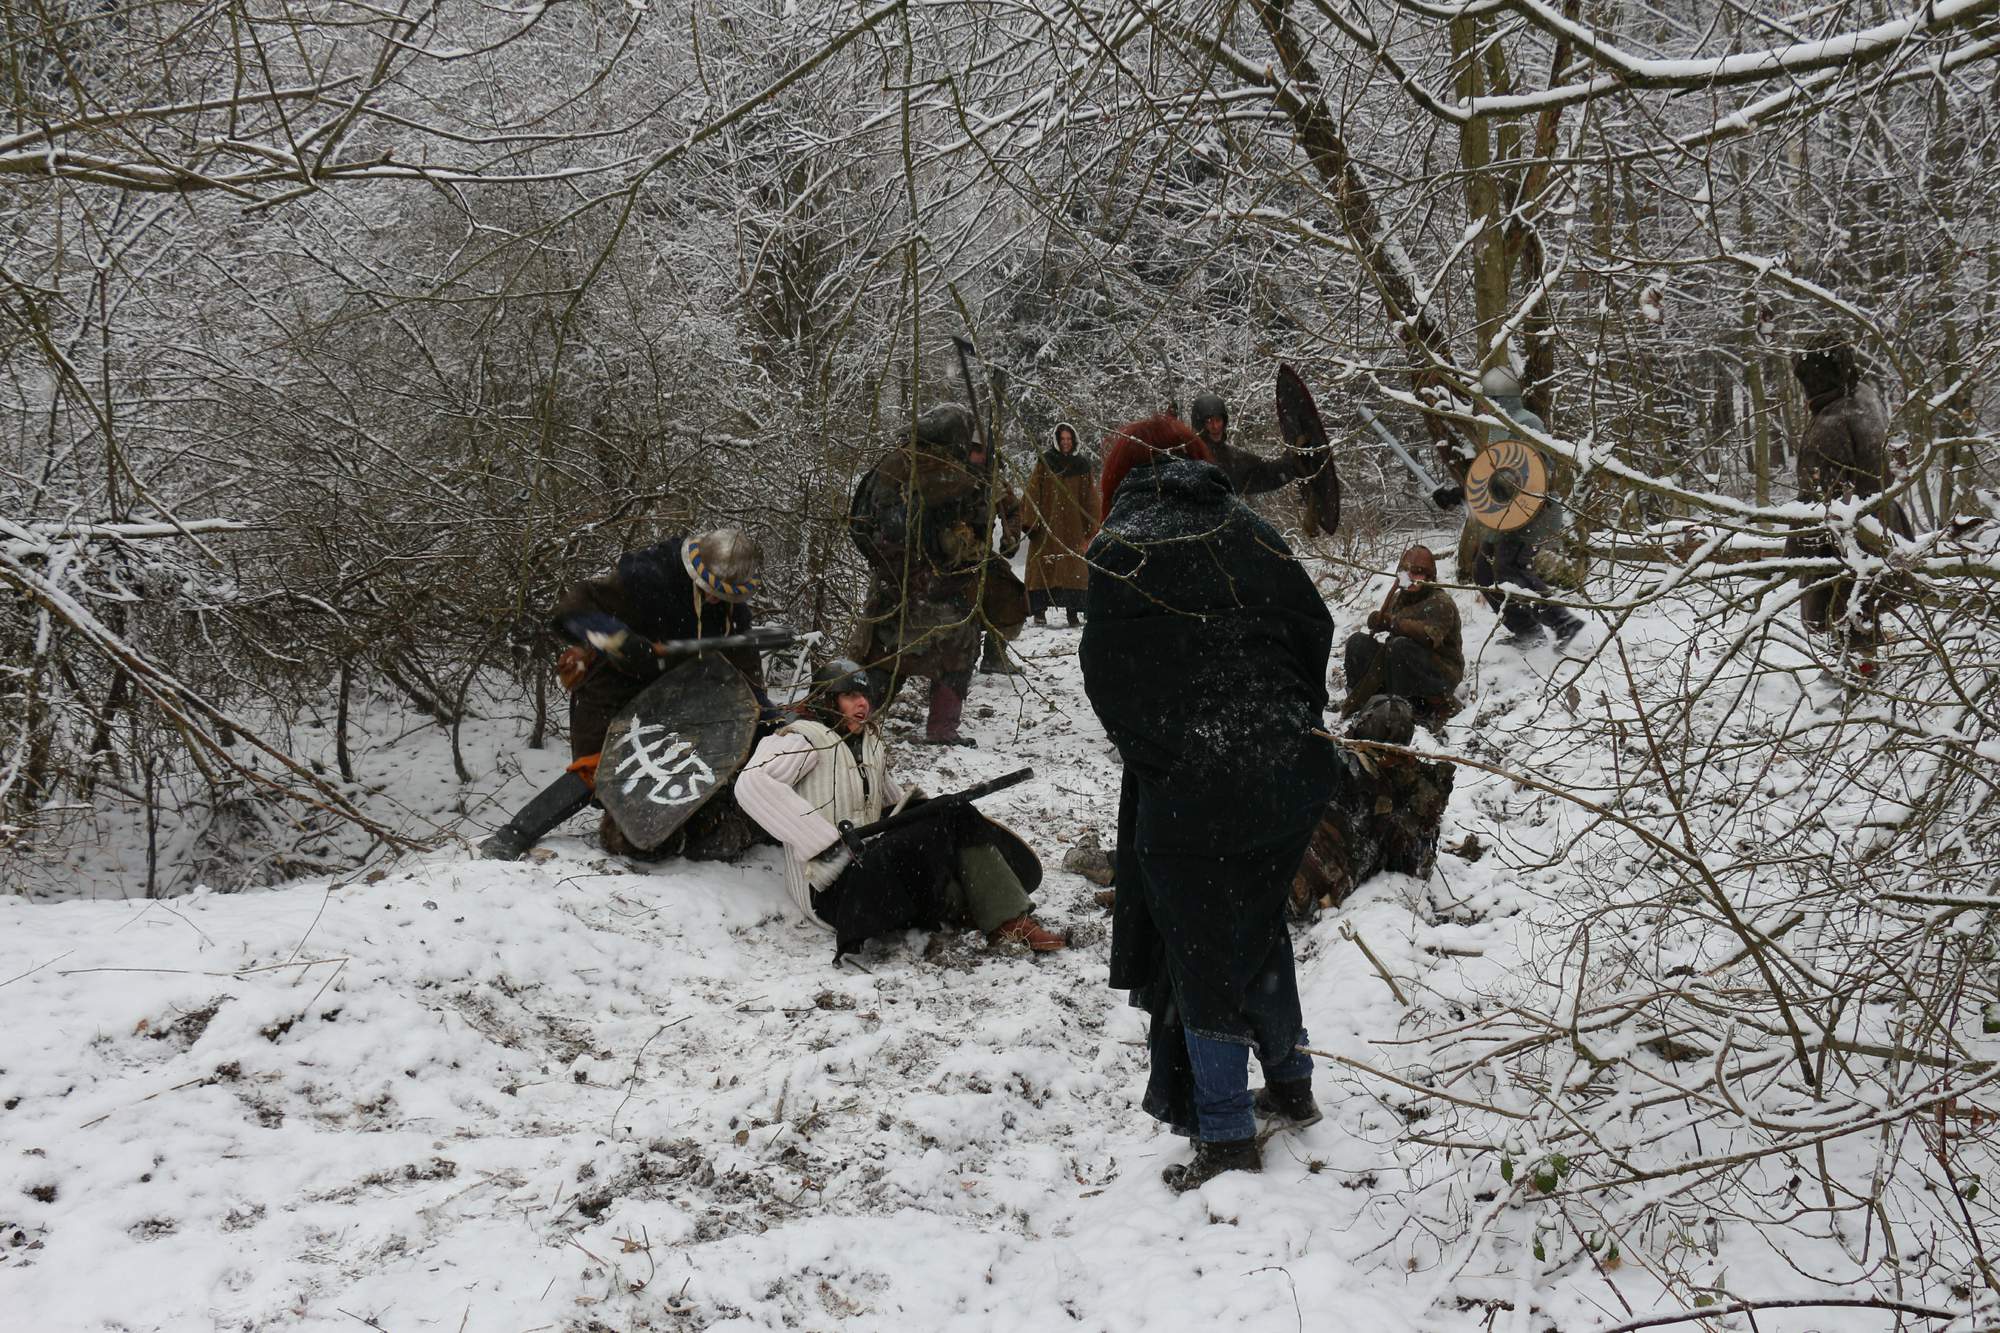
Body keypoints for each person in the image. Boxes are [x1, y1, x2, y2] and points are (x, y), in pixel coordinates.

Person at [1080, 415, 1340, 1192]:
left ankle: (1225, 1134)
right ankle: (1292, 1085)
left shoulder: (1122, 547)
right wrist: (1292, 717)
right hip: (1290, 767)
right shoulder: (1248, 526)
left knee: (1199, 948)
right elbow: (1313, 625)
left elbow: (1107, 675)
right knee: (1256, 921)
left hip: (1198, 781)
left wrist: (1163, 753)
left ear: (1118, 477)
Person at [733, 658, 1066, 957]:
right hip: (834, 895)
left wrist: (928, 813)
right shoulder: (801, 739)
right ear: (827, 700)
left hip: (873, 876)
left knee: (947, 812)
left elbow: (893, 807)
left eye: (865, 696)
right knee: (949, 815)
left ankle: (980, 907)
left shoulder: (869, 745)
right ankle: (1003, 917)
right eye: (850, 695)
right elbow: (751, 785)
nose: (862, 703)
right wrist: (825, 842)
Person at [480, 528, 770, 861]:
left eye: (723, 595)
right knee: (602, 767)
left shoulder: (732, 611)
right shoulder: (647, 576)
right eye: (710, 590)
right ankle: (514, 835)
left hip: (676, 692)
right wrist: (619, 641)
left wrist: (769, 720)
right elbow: (573, 609)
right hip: (615, 681)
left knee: (680, 769)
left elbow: (746, 677)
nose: (716, 600)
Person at [848, 403, 1029, 745]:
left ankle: (851, 722)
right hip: (935, 589)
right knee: (951, 655)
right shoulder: (941, 471)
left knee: (888, 658)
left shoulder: (899, 461)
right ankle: (937, 728)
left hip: (898, 585)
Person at [1784, 335, 1912, 676]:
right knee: (1859, 606)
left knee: (1848, 607)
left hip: (1849, 536)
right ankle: (1858, 668)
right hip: (1878, 523)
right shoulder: (1862, 396)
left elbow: (1819, 499)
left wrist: (1795, 554)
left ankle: (1859, 678)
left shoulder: (1832, 421)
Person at [1459, 366, 1584, 648]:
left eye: (1488, 398)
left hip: (1534, 511)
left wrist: (1508, 482)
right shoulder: (1496, 427)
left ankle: (1564, 622)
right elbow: (1492, 471)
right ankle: (1527, 631)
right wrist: (1461, 490)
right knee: (1483, 571)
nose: (1483, 405)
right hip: (1505, 513)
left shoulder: (1528, 422)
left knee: (1509, 569)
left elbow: (1540, 470)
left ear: (1500, 397)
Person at [1342, 545, 1463, 726]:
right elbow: (1384, 621)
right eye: (1407, 571)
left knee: (1399, 647)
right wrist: (1377, 620)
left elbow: (1428, 637)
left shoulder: (1440, 602)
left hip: (1439, 672)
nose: (1411, 577)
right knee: (1358, 642)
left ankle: (1413, 709)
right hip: (1399, 667)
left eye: (1418, 572)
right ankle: (1367, 701)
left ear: (1429, 576)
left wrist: (1394, 623)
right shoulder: (1398, 598)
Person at [1022, 422, 1099, 627]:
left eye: (1069, 439)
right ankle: (1039, 612)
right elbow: (1033, 490)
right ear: (1057, 441)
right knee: (1042, 568)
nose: (1066, 443)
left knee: (1074, 570)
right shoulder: (1046, 462)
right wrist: (1031, 522)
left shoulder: (1081, 465)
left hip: (1073, 527)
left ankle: (1073, 612)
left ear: (1074, 441)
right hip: (1047, 526)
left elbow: (1090, 496)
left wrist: (1091, 524)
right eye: (1062, 439)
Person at [1188, 390, 1321, 498]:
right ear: (1200, 424)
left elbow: (1268, 473)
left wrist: (1294, 460)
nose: (1215, 426)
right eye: (1209, 421)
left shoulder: (1233, 458)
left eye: (1218, 420)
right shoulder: (1189, 457)